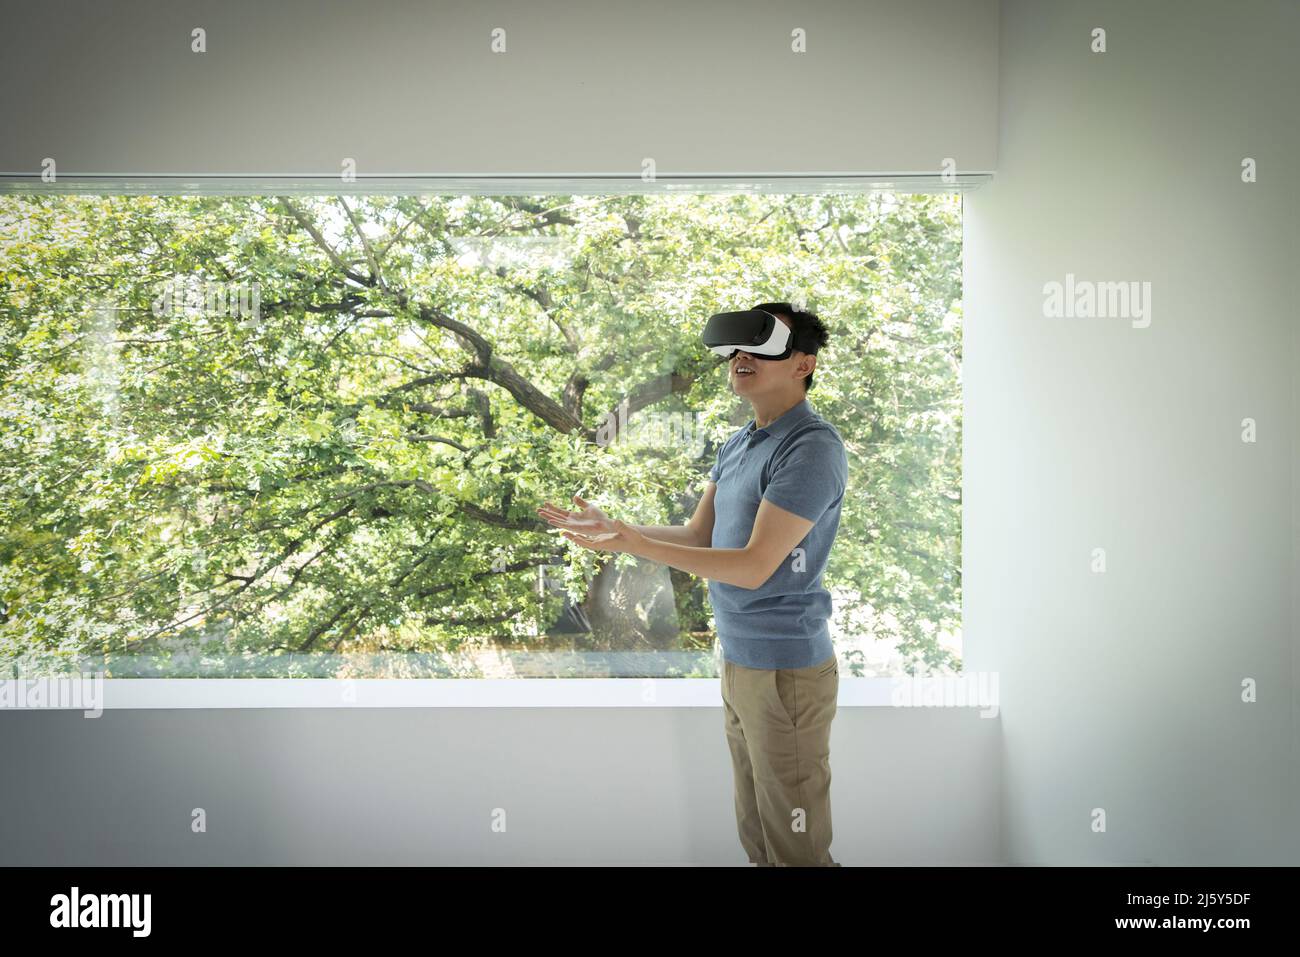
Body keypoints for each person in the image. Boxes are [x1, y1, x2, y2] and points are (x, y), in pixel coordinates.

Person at [537, 302, 848, 866]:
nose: (741, 359)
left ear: (804, 364)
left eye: (761, 348)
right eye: (737, 350)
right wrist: (618, 530)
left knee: (796, 846)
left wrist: (635, 543)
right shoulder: (739, 443)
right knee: (758, 835)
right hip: (741, 661)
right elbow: (699, 536)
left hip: (786, 670)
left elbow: (754, 566)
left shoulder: (811, 448)